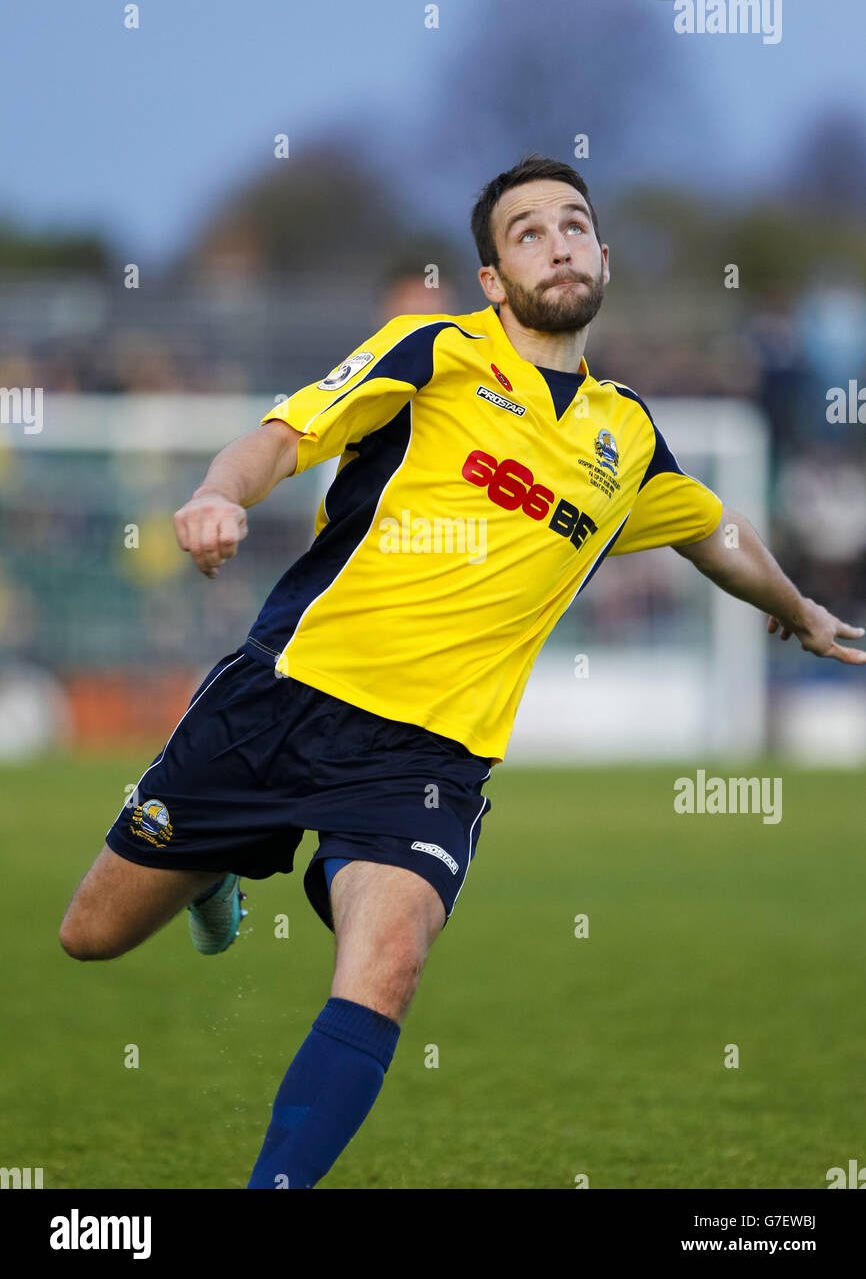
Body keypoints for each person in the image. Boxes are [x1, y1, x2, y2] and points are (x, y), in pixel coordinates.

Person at [59, 154, 865, 1189]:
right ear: (491, 277)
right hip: (286, 698)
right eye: (525, 232)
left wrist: (794, 609)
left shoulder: (625, 438)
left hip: (428, 759)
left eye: (572, 224)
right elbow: (280, 433)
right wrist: (219, 494)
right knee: (92, 935)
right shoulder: (432, 351)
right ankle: (215, 862)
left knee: (386, 965)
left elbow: (712, 532)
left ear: (603, 257)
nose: (555, 242)